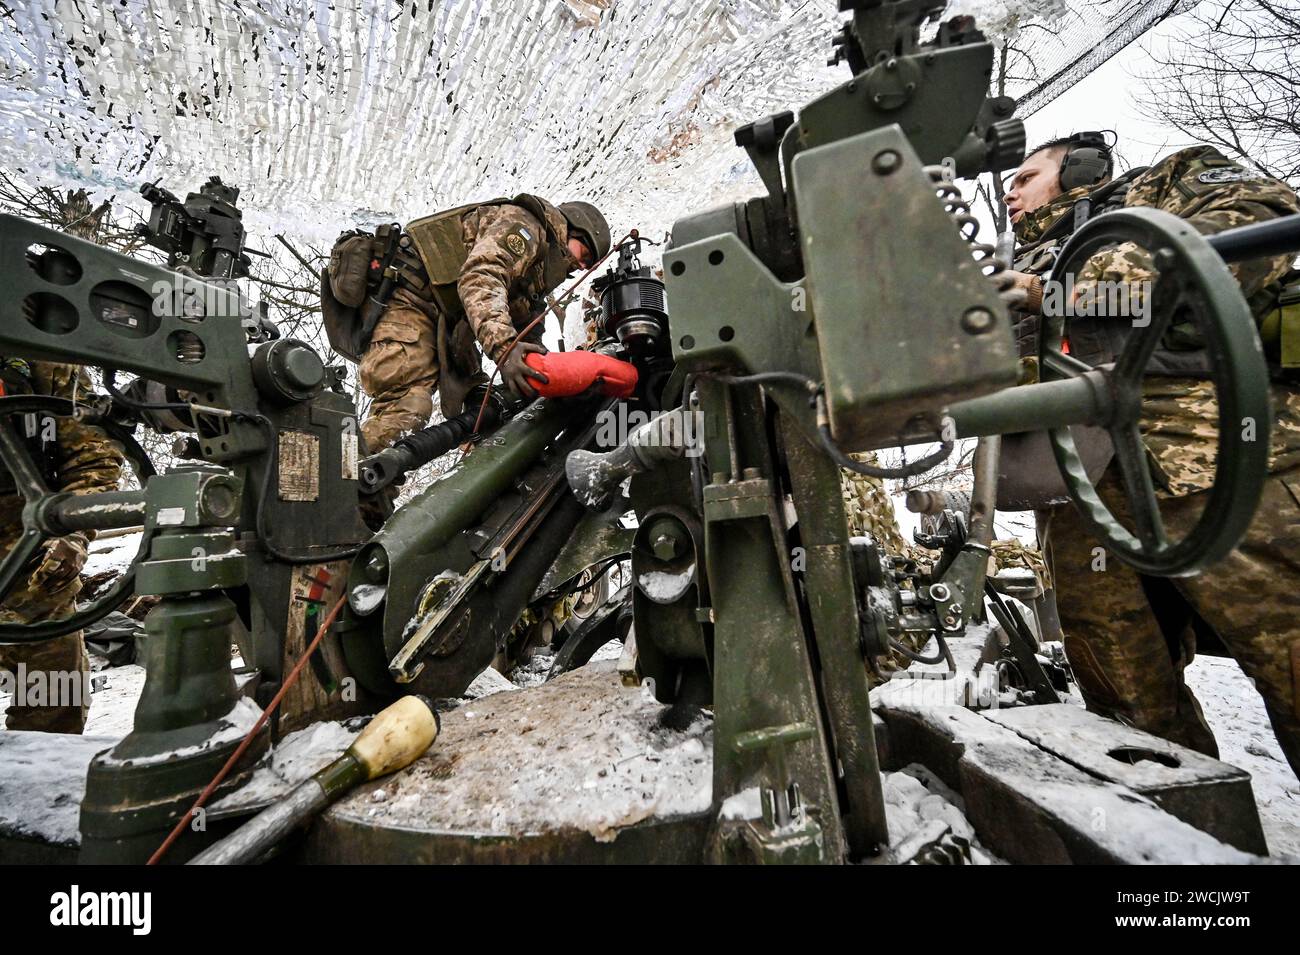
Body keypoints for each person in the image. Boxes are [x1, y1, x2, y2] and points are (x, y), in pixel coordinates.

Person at [1002, 132, 1300, 776]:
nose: (1010, 193)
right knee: (1124, 700)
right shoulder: (1012, 267)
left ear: (1078, 168)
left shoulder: (1165, 185)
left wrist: (1059, 290)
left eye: (1025, 177)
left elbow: (1260, 219)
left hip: (1218, 462)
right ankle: (1179, 841)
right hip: (1079, 495)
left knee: (1291, 655)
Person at [356, 197, 611, 452]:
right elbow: (481, 276)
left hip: (446, 321)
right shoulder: (527, 226)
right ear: (568, 229)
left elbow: (528, 326)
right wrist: (505, 348)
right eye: (584, 254)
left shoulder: (536, 270)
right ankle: (331, 474)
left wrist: (541, 374)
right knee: (407, 408)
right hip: (410, 300)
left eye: (588, 265)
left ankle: (363, 480)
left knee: (483, 406)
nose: (580, 266)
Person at [0, 360, 123, 733]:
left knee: (54, 704)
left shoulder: (44, 363)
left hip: (33, 567)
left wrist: (72, 534)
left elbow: (94, 457)